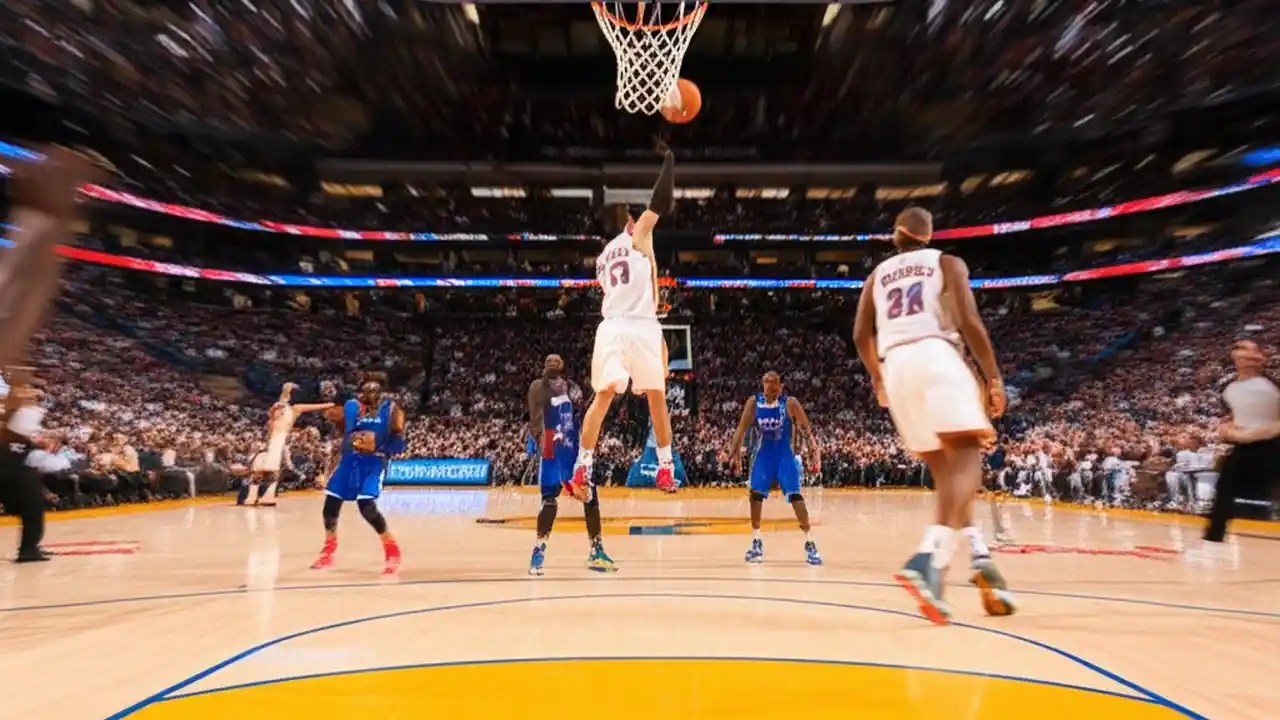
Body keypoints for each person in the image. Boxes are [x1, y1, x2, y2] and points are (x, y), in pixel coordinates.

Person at [853, 206, 1015, 624]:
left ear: (896, 236)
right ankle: (928, 556)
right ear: (929, 235)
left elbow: (859, 335)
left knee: (948, 475)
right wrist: (993, 378)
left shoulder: (876, 277)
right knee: (967, 462)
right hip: (935, 354)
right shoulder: (946, 262)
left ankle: (975, 561)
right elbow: (968, 321)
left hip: (895, 368)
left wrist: (877, 378)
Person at [572, 140, 679, 499]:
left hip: (611, 326)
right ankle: (665, 469)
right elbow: (661, 203)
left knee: (601, 398)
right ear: (632, 221)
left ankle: (581, 468)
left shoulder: (603, 256)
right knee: (656, 397)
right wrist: (669, 161)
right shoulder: (639, 237)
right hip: (641, 323)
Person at [527, 354, 616, 576]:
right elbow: (535, 419)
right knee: (549, 501)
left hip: (573, 448)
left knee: (589, 496)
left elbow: (586, 415)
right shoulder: (538, 387)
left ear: (563, 365)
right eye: (549, 360)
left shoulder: (572, 387)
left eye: (557, 360)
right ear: (544, 366)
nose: (554, 362)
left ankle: (597, 549)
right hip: (551, 447)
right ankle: (539, 549)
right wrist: (541, 442)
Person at [310, 377, 406, 575]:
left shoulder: (388, 409)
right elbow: (344, 429)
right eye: (365, 391)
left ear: (379, 394)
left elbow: (397, 435)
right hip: (349, 461)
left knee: (367, 507)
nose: (368, 394)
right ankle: (329, 549)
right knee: (330, 506)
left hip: (373, 462)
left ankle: (392, 550)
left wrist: (394, 433)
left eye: (373, 391)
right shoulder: (354, 408)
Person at [727, 371, 823, 566]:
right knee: (755, 496)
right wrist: (733, 454)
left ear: (780, 386)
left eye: (774, 385)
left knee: (796, 497)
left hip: (784, 456)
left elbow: (806, 428)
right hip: (765, 455)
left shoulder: (790, 403)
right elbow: (741, 429)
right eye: (767, 384)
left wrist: (814, 451)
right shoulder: (754, 403)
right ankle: (756, 541)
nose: (770, 388)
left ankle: (810, 542)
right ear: (762, 385)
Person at [1204, 340, 1280, 542]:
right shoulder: (1230, 389)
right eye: (1238, 351)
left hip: (1274, 444)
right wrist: (1228, 431)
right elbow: (1229, 420)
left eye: (1248, 352)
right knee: (1224, 486)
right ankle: (1212, 539)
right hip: (1244, 446)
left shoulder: (1272, 384)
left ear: (1259, 357)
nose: (1243, 357)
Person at [243, 383, 333, 507]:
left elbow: (314, 406)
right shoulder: (280, 407)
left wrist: (330, 404)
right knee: (261, 470)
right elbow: (280, 402)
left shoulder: (293, 409)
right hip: (268, 441)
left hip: (276, 441)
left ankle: (264, 496)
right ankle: (256, 496)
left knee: (268, 471)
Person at [0, 371, 49, 562]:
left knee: (30, 509)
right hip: (14, 470)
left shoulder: (20, 421)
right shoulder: (13, 414)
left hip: (14, 468)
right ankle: (29, 550)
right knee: (32, 510)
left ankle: (30, 547)